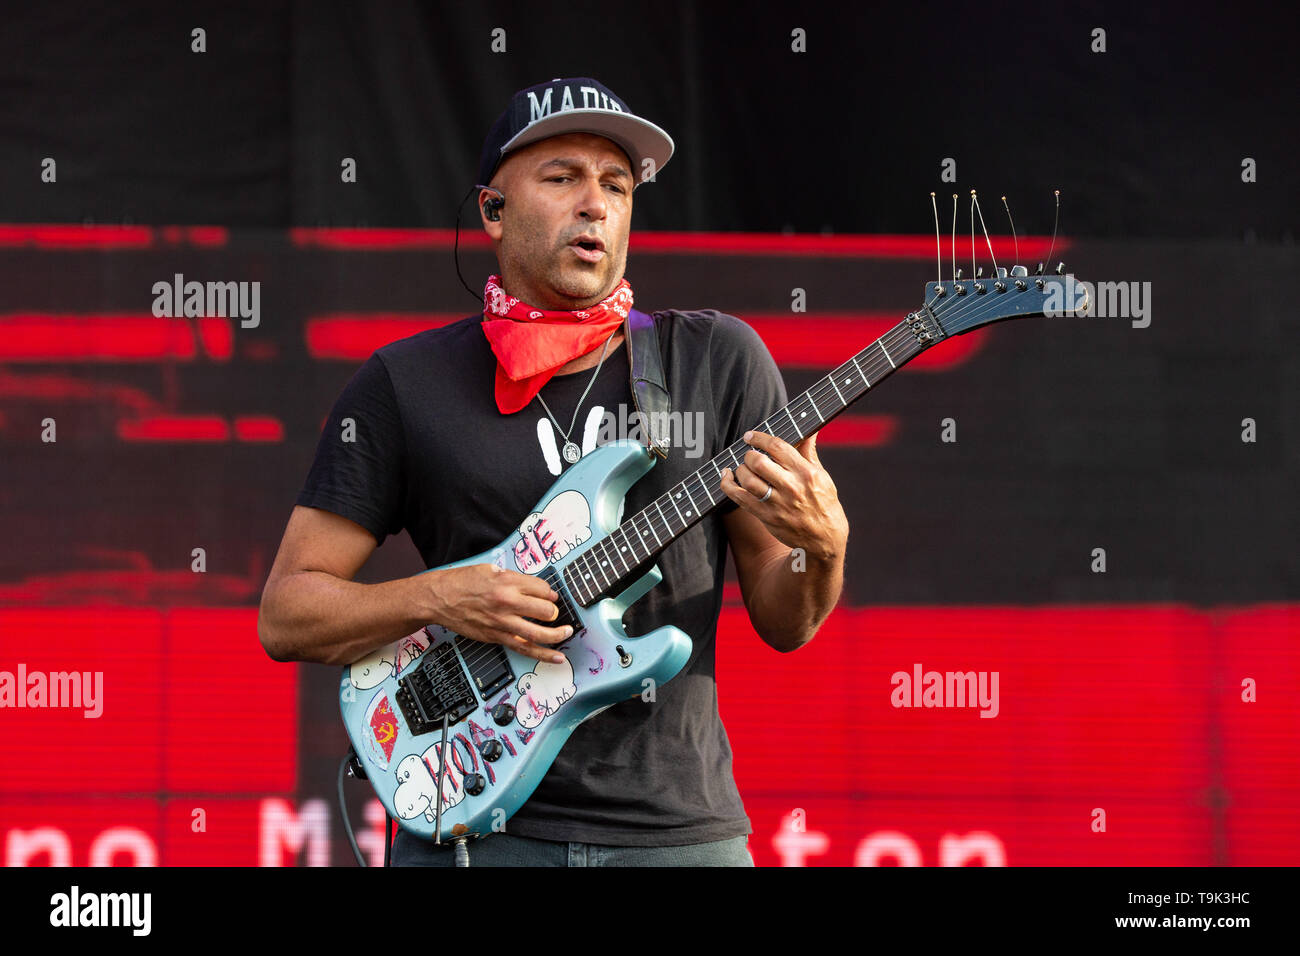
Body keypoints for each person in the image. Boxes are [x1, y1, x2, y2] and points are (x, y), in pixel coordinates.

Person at [257, 76, 849, 867]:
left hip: (674, 832)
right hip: (471, 825)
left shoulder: (714, 359)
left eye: (616, 184)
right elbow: (287, 614)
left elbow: (787, 621)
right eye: (563, 177)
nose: (596, 203)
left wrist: (824, 550)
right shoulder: (406, 382)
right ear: (492, 211)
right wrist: (439, 596)